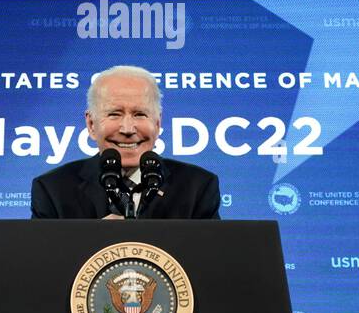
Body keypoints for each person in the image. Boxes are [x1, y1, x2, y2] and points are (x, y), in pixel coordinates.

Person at [30, 65, 221, 219]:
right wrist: (87, 241)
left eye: (140, 114)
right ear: (91, 124)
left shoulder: (197, 187)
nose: (128, 129)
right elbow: (43, 263)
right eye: (114, 114)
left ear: (157, 123)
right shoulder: (53, 189)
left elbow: (210, 261)